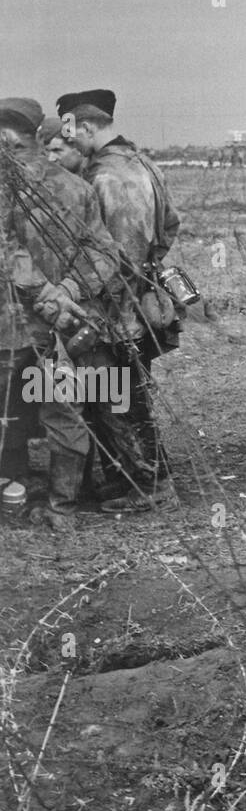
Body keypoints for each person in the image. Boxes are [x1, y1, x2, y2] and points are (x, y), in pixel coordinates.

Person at [0, 97, 122, 530]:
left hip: (18, 328)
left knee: (18, 412)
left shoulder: (20, 188)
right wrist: (67, 295)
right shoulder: (75, 187)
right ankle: (61, 508)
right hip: (63, 329)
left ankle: (19, 490)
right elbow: (106, 255)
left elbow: (8, 256)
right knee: (63, 413)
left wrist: (51, 294)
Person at [60, 87, 182, 512]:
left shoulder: (107, 176)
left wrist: (89, 294)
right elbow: (169, 226)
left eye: (71, 131)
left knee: (117, 395)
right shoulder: (141, 162)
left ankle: (147, 486)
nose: (68, 141)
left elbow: (116, 254)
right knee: (125, 391)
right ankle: (136, 477)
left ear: (88, 126)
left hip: (114, 309)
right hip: (133, 300)